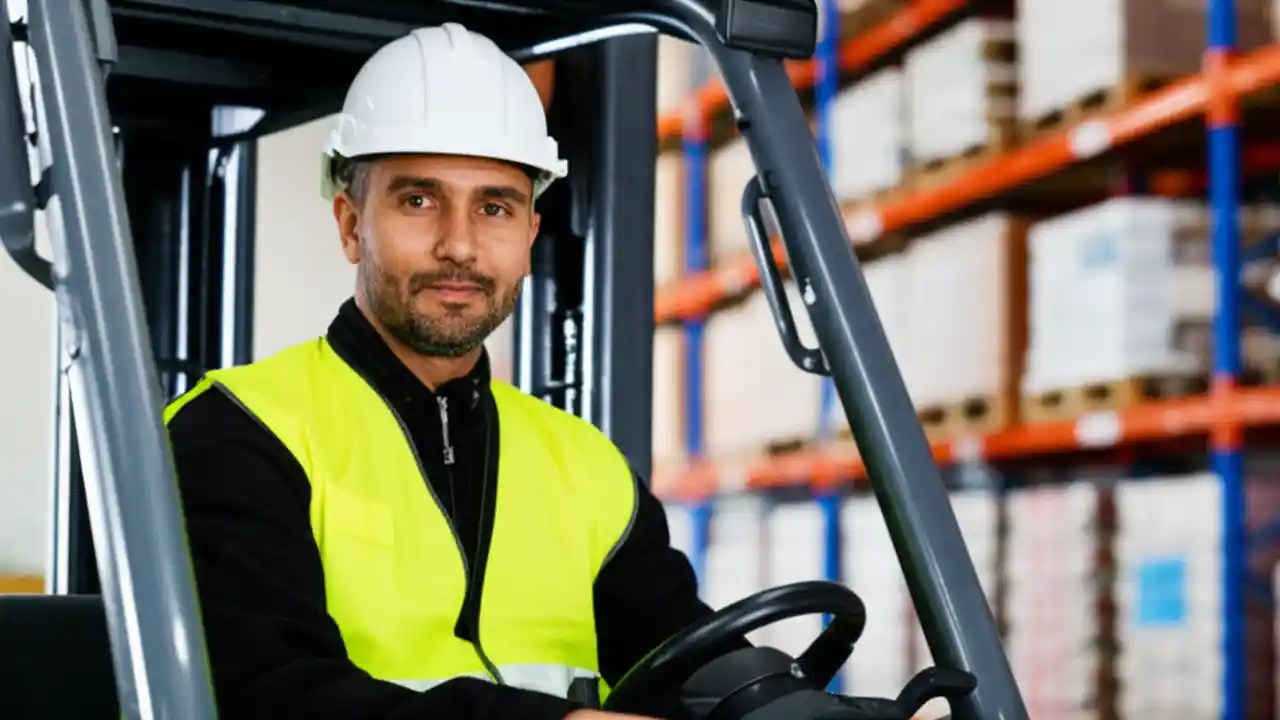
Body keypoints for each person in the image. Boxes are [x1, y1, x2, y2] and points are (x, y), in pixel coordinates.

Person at [164, 22, 716, 720]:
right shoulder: (236, 435)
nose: (459, 245)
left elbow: (692, 664)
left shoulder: (588, 470)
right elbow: (266, 693)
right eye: (418, 200)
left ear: (529, 236)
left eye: (494, 207)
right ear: (350, 224)